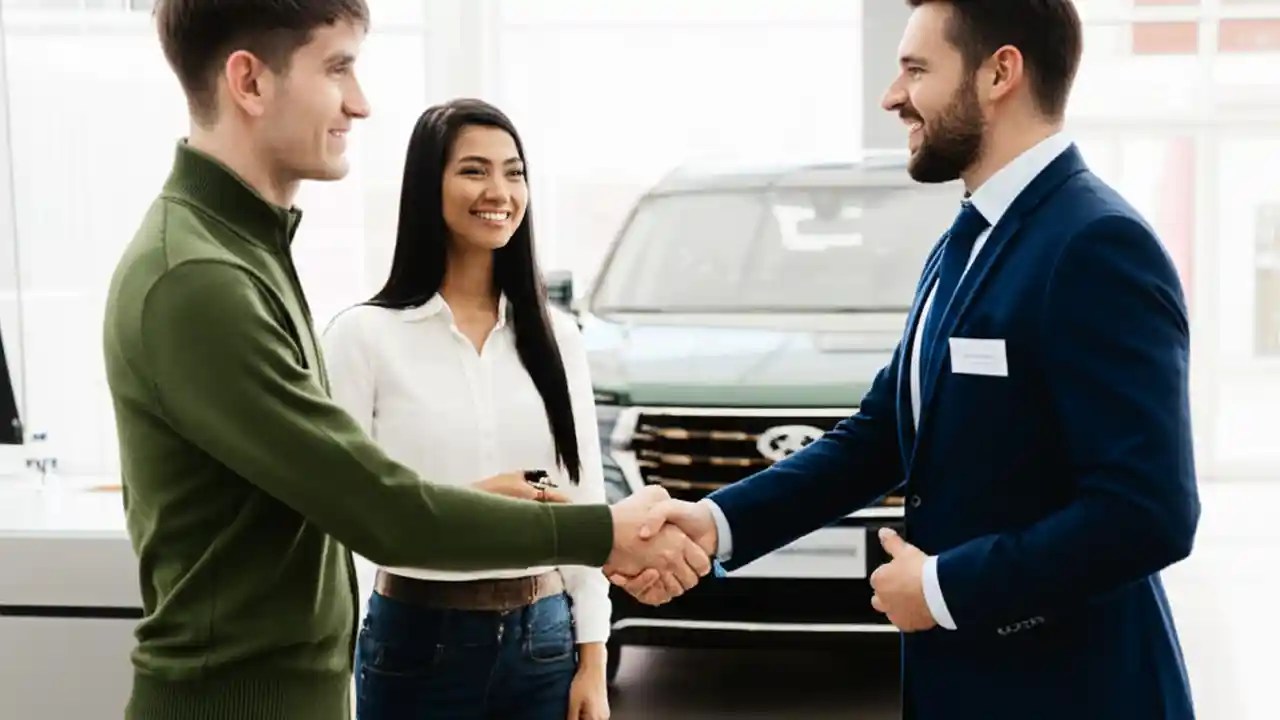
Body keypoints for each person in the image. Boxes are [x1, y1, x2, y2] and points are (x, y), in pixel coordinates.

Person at [101, 3, 708, 719]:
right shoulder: (199, 278)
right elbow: (379, 511)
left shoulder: (245, 254)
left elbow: (342, 498)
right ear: (250, 83)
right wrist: (606, 531)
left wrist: (585, 625)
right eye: (337, 67)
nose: (359, 103)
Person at [614, 1, 1200, 718]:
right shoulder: (966, 236)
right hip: (963, 686)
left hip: (1070, 690)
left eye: (916, 69)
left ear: (999, 73)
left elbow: (1149, 512)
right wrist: (713, 523)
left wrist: (944, 588)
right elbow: (881, 435)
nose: (892, 96)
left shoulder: (1097, 244)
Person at [321, 98, 612, 720]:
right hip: (415, 639)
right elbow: (338, 514)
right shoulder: (362, 337)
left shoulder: (556, 337)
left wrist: (593, 661)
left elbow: (583, 495)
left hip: (546, 640)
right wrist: (478, 499)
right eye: (474, 170)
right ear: (430, 186)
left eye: (514, 171)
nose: (499, 191)